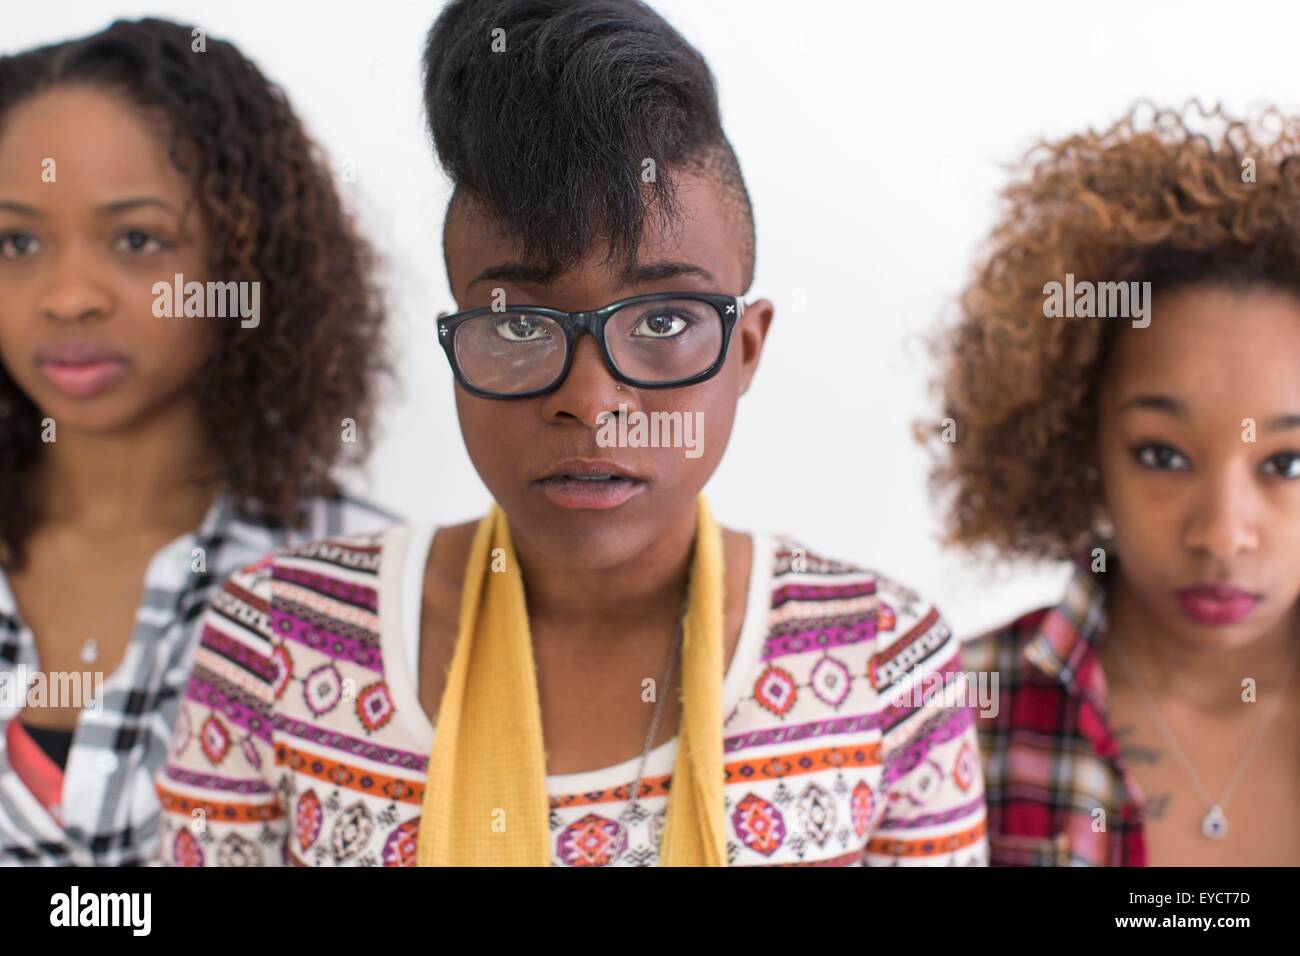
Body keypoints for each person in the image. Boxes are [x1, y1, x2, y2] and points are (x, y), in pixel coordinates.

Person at [157, 0, 986, 867]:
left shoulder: (887, 660)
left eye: (665, 322)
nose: (593, 404)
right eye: (518, 325)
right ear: (454, 344)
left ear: (746, 350)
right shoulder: (278, 641)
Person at [0, 18, 392, 864]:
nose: (69, 297)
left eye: (137, 240)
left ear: (245, 261)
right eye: (17, 241)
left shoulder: (365, 580)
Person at [931, 104, 1300, 865]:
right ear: (1076, 435)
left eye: (1288, 464)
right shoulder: (952, 716)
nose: (1222, 534)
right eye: (1163, 455)